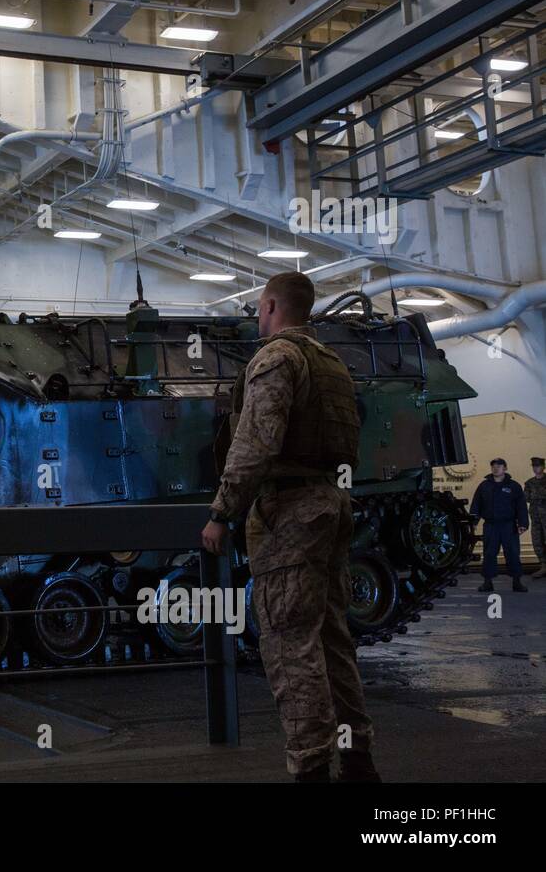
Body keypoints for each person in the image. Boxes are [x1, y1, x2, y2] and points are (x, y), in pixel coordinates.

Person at [201, 271, 378, 783]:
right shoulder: (332, 363)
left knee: (289, 644)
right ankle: (359, 760)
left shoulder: (277, 358)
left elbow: (255, 443)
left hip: (289, 514)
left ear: (273, 304)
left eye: (260, 307)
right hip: (331, 503)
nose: (257, 316)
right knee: (332, 640)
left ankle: (312, 767)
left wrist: (221, 513)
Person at [469, 458, 529, 592]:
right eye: (494, 466)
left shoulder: (514, 486)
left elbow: (521, 507)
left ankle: (517, 582)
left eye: (499, 466)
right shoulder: (484, 486)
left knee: (513, 553)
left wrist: (523, 523)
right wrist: (472, 523)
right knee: (489, 554)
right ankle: (487, 582)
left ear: (505, 468)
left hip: (509, 525)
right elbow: (476, 505)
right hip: (491, 525)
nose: (496, 468)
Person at [525, 457, 546, 579]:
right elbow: (526, 497)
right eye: (534, 466)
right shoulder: (529, 483)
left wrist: (537, 496)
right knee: (537, 541)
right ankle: (543, 566)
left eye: (538, 466)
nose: (536, 468)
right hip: (536, 517)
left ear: (543, 467)